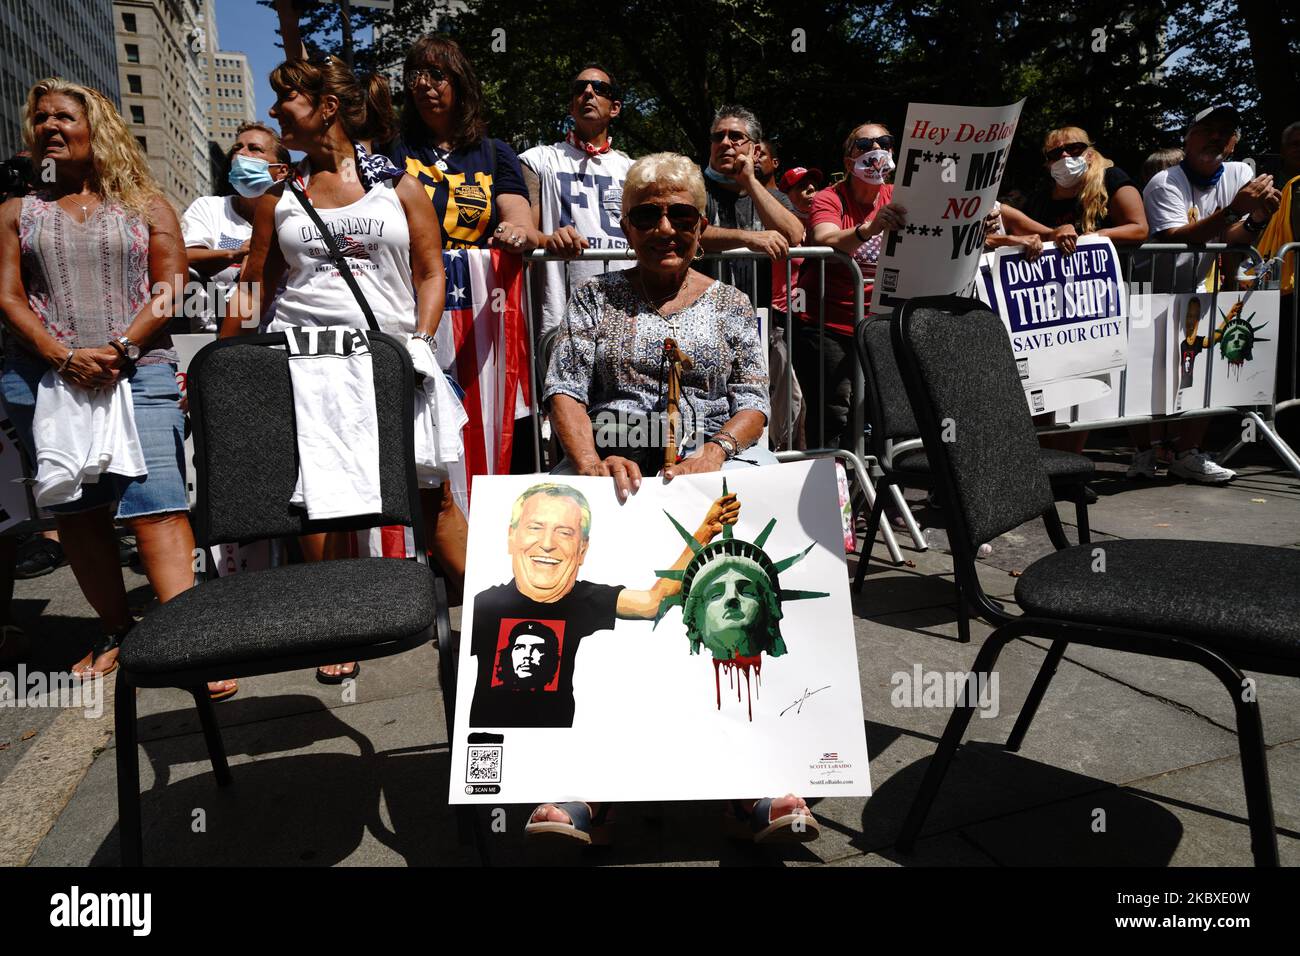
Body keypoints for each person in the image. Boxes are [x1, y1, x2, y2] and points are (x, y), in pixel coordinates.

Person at [224, 56, 451, 682]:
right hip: (304, 364)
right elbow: (253, 286)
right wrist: (217, 365)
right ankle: (334, 624)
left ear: (326, 108)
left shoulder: (399, 185)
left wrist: (421, 342)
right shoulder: (280, 196)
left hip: (389, 360)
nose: (275, 114)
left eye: (286, 100)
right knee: (319, 499)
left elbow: (431, 272)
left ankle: (484, 603)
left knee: (427, 488)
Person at [0, 79, 208, 689]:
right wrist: (60, 355)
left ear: (99, 129)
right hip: (42, 379)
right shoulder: (16, 212)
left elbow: (170, 286)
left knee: (157, 507)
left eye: (64, 116)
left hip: (137, 372)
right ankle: (119, 631)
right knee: (79, 513)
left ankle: (191, 642)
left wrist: (123, 347)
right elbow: (7, 296)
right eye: (41, 118)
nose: (50, 127)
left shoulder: (146, 204)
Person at [544, 152, 776, 498]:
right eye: (647, 216)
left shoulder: (732, 303)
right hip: (612, 455)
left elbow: (753, 402)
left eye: (681, 215)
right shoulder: (592, 297)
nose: (665, 229)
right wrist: (592, 463)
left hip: (714, 454)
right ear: (626, 229)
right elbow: (565, 391)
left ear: (701, 226)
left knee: (767, 487)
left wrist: (714, 453)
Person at [468, 482, 737, 730]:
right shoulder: (483, 604)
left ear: (582, 549)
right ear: (511, 537)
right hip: (490, 749)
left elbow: (652, 602)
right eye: (535, 528)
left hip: (553, 752)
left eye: (564, 532)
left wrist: (706, 531)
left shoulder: (582, 599)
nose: (547, 544)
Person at [1132, 104, 1282, 483]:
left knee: (1202, 372)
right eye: (1207, 129)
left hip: (1204, 291)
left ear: (1233, 144)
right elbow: (1177, 239)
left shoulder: (1239, 174)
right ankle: (1144, 452)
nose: (1216, 137)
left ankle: (1187, 453)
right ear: (1187, 137)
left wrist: (1258, 218)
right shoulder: (1165, 182)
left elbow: (1231, 240)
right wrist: (1236, 209)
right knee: (1147, 373)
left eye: (1225, 132)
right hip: (1154, 290)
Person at [997, 127, 1150, 455]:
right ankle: (1042, 463)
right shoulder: (1043, 194)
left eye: (1074, 148)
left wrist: (1090, 238)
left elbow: (1139, 228)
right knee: (1045, 381)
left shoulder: (1113, 179)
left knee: (1084, 380)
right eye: (1055, 154)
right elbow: (1037, 235)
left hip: (1097, 298)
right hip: (1049, 303)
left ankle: (1070, 464)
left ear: (1090, 151)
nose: (1065, 157)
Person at [792, 122, 907, 449]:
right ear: (847, 162)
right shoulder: (830, 197)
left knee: (882, 409)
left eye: (884, 142)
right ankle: (831, 493)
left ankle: (875, 488)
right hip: (828, 325)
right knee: (834, 413)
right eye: (865, 144)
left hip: (880, 323)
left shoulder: (898, 194)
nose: (876, 150)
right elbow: (825, 238)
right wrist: (867, 230)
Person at [385, 34, 541, 254]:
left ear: (460, 85)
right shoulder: (392, 149)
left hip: (477, 284)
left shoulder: (496, 154)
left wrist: (514, 233)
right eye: (414, 76)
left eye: (435, 75)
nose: (421, 83)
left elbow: (522, 225)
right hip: (409, 285)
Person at [519, 64, 635, 337]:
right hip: (560, 315)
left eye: (599, 89)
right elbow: (525, 231)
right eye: (579, 88)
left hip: (625, 313)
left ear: (615, 108)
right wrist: (548, 240)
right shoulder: (538, 160)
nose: (588, 92)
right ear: (571, 107)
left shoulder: (634, 171)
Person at [181, 122, 290, 332]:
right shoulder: (209, 208)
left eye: (254, 148)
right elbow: (183, 257)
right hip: (214, 338)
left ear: (282, 170)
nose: (241, 153)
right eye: (237, 147)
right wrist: (237, 253)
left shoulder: (295, 216)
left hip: (279, 338)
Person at [697, 106, 803, 309]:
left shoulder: (771, 196)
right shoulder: (694, 188)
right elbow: (690, 234)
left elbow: (793, 234)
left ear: (754, 152)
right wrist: (749, 238)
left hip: (755, 316)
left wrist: (750, 182)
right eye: (718, 137)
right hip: (703, 315)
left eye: (736, 136)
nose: (725, 143)